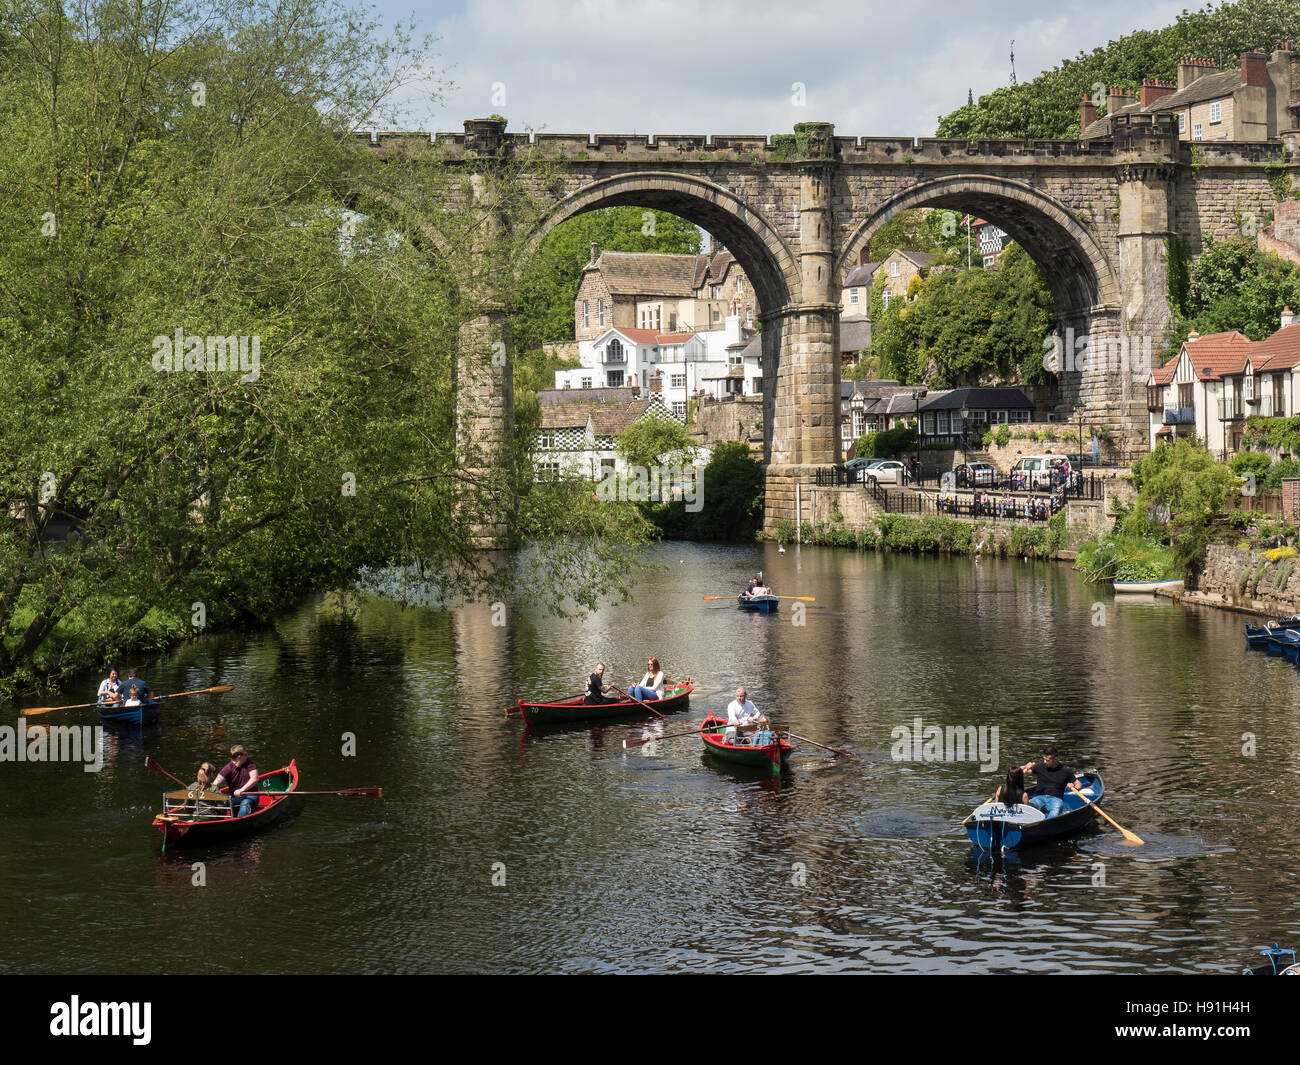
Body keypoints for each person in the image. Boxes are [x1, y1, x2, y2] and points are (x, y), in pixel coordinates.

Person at [1019, 746, 1086, 819]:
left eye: (1047, 760)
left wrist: (1074, 787)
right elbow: (1017, 772)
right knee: (1026, 809)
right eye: (1044, 759)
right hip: (1039, 798)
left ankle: (1046, 824)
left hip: (1055, 799)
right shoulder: (1040, 766)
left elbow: (1078, 784)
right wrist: (1026, 766)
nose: (1044, 762)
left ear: (1056, 759)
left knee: (1055, 812)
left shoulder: (1066, 770)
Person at [211, 745, 260, 818]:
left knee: (245, 804)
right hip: (234, 797)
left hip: (250, 795)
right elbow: (216, 782)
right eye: (245, 755)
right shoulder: (228, 767)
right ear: (239, 757)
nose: (247, 756)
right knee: (218, 803)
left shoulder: (250, 764)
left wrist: (242, 790)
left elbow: (255, 778)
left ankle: (239, 822)